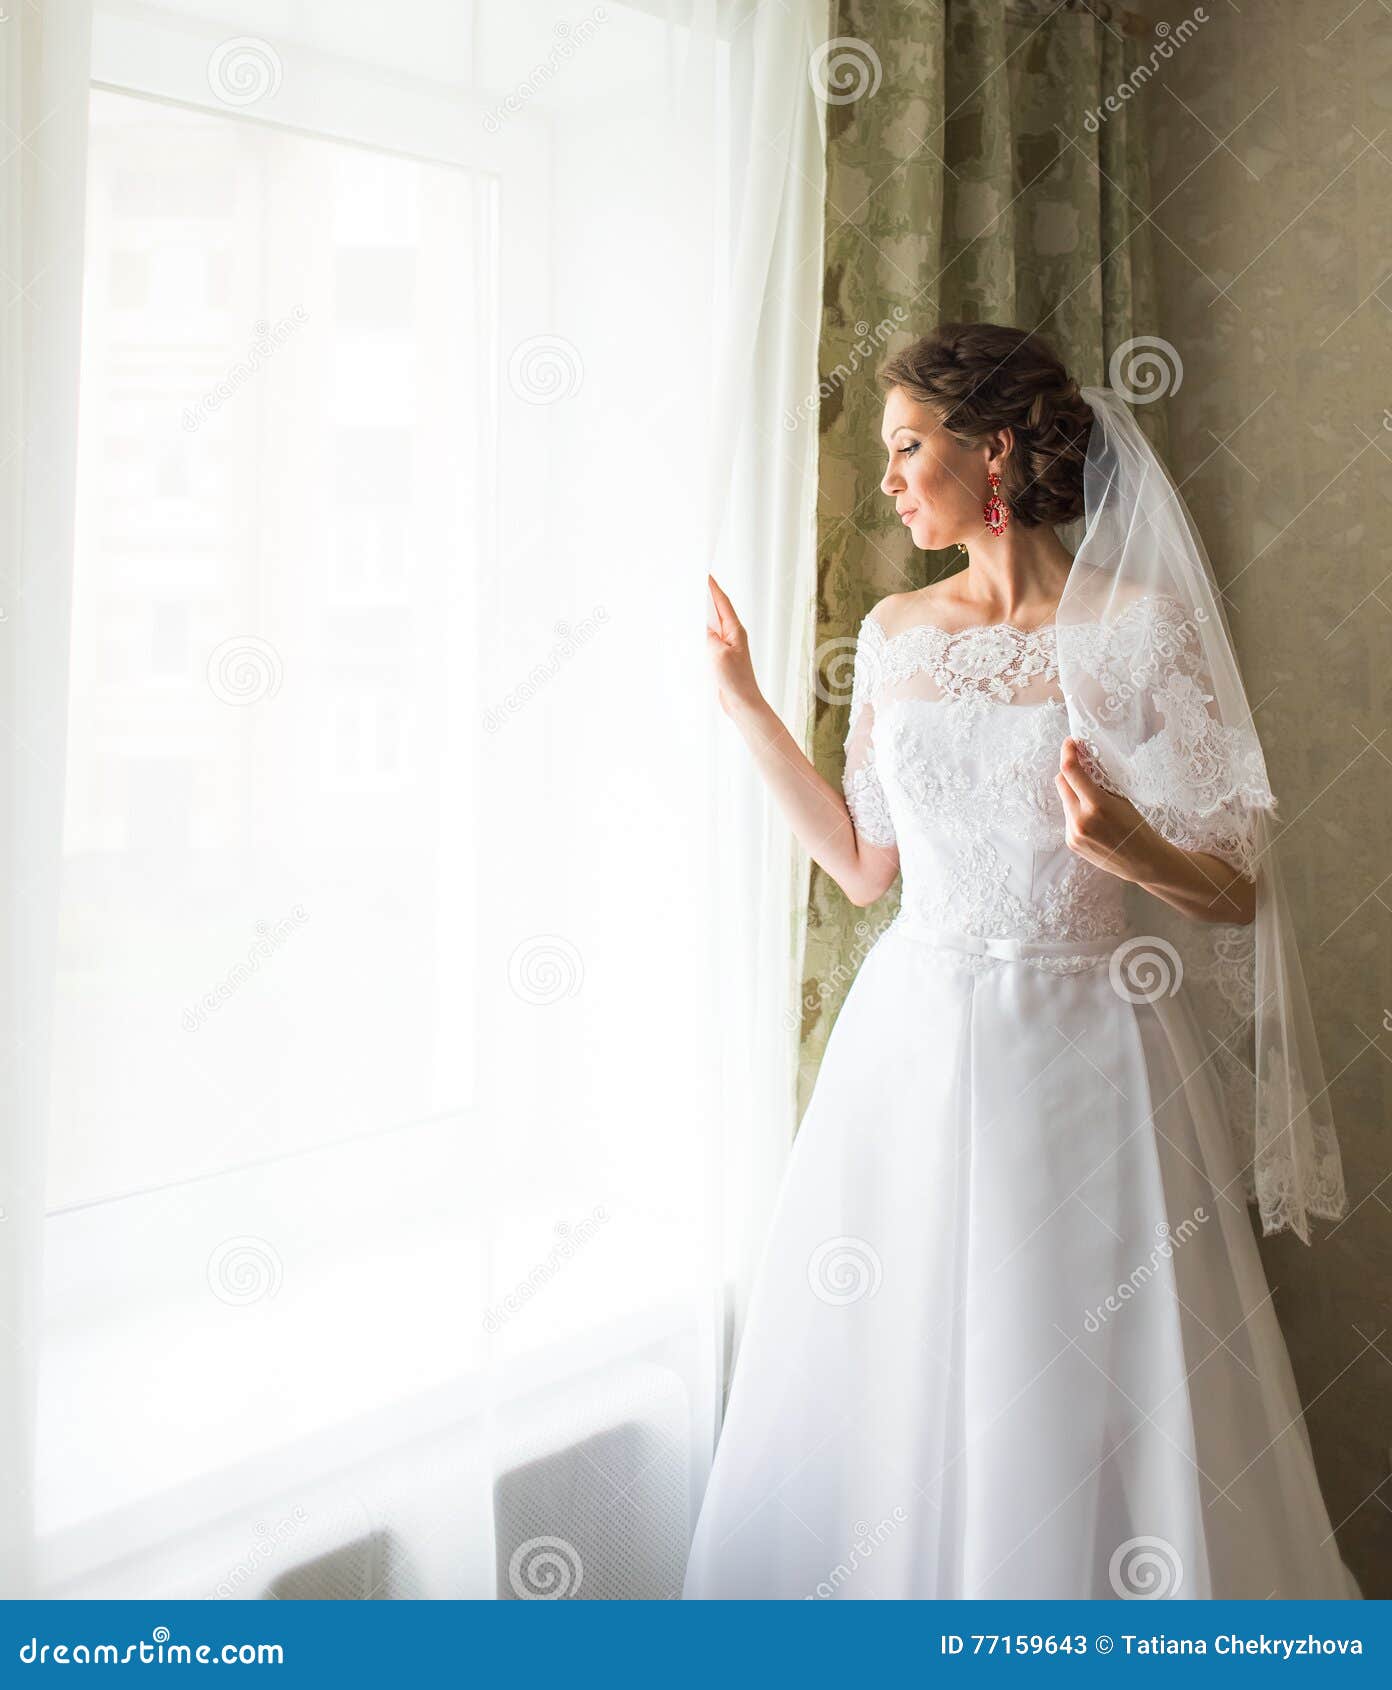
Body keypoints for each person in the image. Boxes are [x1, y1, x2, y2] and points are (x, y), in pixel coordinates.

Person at [683, 322, 1358, 1601]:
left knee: (1078, 1370)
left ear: (989, 450)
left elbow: (1236, 890)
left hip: (1090, 1052)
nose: (887, 480)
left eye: (904, 449)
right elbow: (863, 863)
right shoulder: (896, 633)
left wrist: (1130, 844)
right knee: (899, 1365)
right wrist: (745, 705)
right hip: (916, 1048)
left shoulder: (1138, 632)